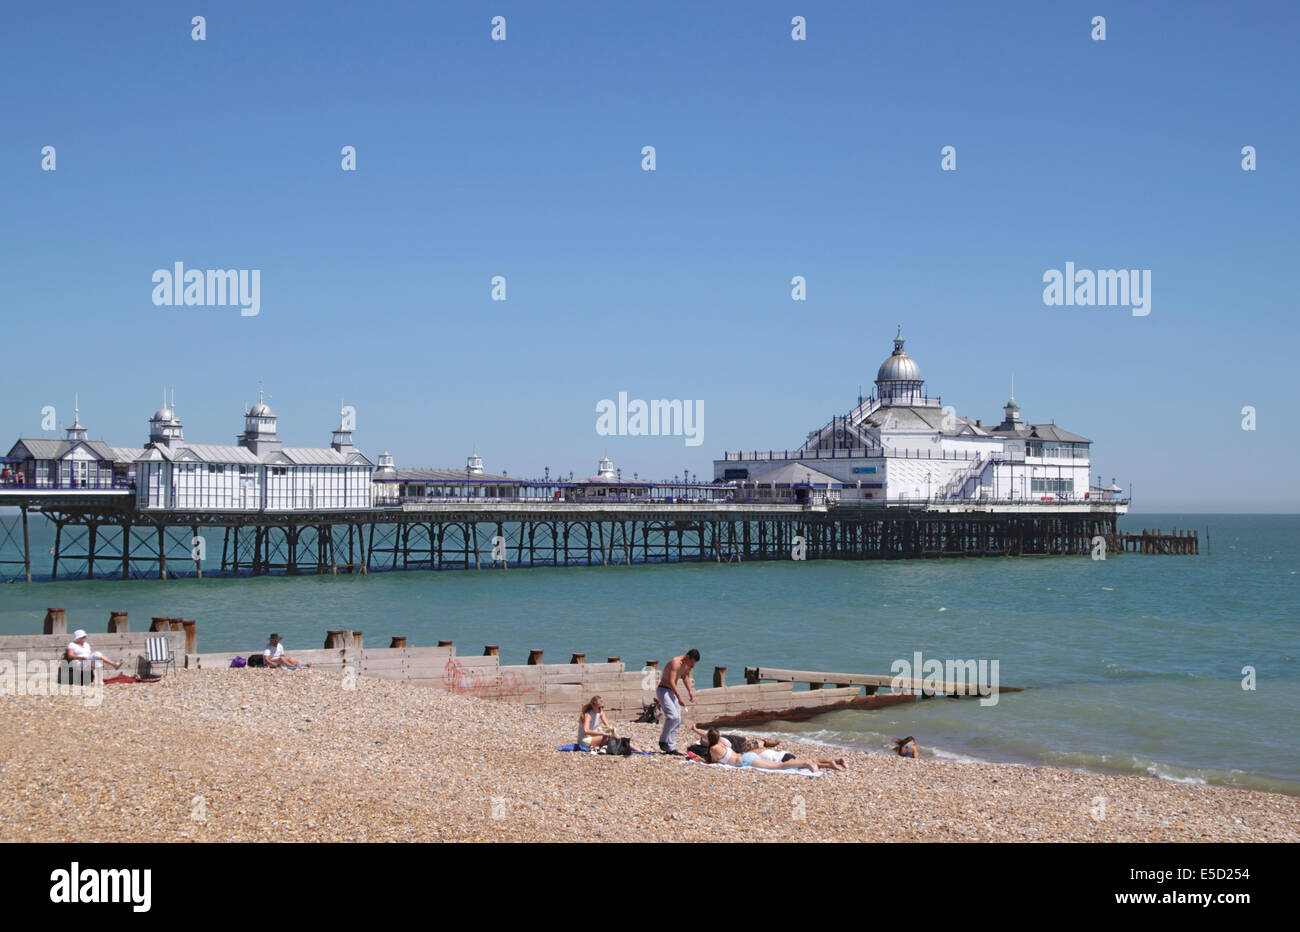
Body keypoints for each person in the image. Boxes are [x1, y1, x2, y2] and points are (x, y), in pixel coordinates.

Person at [705, 729, 818, 773]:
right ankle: (805, 763)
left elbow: (713, 762)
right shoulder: (722, 743)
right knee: (779, 765)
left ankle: (806, 763)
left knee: (779, 766)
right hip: (746, 756)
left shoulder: (713, 748)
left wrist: (701, 759)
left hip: (744, 761)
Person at [656, 649, 699, 754]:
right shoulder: (675, 662)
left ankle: (671, 747)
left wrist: (690, 691)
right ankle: (663, 741)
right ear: (687, 657)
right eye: (692, 662)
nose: (692, 665)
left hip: (671, 691)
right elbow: (671, 681)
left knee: (678, 719)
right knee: (672, 717)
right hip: (663, 690)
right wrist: (679, 697)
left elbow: (685, 677)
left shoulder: (686, 665)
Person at [577, 696, 651, 753]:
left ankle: (637, 749)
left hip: (593, 735)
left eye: (602, 707)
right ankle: (637, 750)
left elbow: (607, 725)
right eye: (599, 707)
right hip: (585, 739)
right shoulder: (588, 715)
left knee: (615, 735)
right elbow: (586, 730)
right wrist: (603, 733)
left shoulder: (600, 713)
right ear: (593, 706)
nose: (601, 709)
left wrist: (612, 731)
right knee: (611, 739)